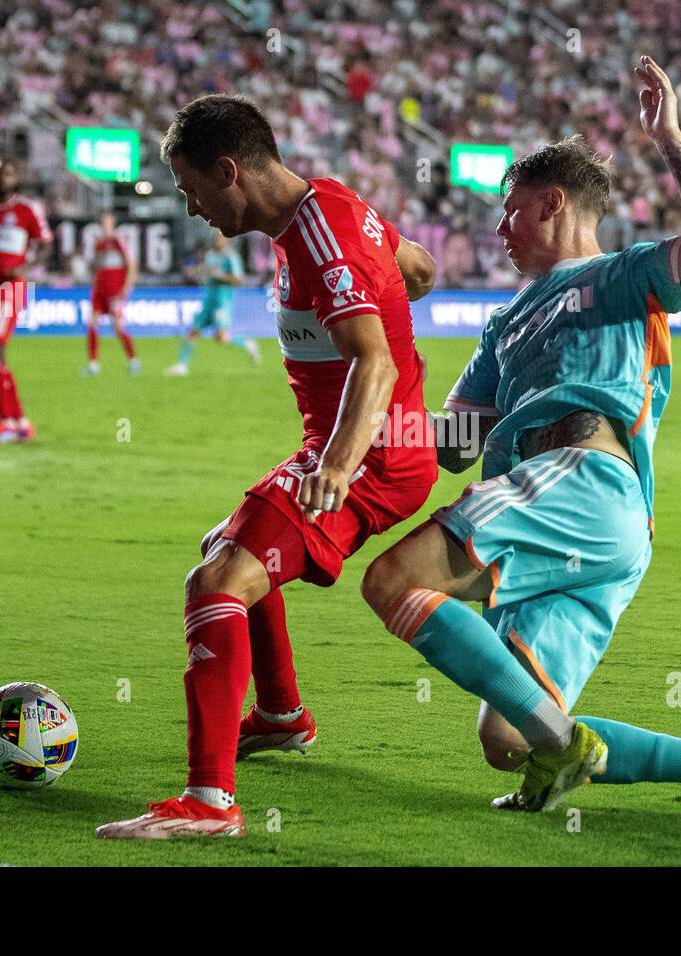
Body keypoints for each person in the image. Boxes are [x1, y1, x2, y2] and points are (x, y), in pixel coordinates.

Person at [358, 57, 681, 823]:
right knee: (510, 737)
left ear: (549, 204)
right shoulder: (503, 325)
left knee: (389, 583)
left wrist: (671, 138)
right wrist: (374, 397)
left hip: (579, 478)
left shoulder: (619, 275)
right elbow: (452, 444)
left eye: (508, 212)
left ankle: (571, 749)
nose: (499, 230)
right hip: (589, 523)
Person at [96, 93, 439, 839]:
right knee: (223, 550)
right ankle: (281, 713)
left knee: (215, 584)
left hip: (369, 456)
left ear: (228, 171)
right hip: (368, 445)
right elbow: (419, 269)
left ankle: (210, 804)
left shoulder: (326, 237)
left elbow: (373, 365)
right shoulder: (332, 210)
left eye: (191, 189)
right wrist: (388, 307)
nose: (191, 208)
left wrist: (341, 467)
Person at [0, 159, 52, 445]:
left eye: (11, 172)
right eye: (2, 172)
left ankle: (5, 424)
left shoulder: (26, 209)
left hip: (7, 289)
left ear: (17, 178)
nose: (6, 177)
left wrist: (26, 268)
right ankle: (20, 422)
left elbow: (45, 243)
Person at [166, 229, 260, 374]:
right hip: (208, 300)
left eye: (220, 237)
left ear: (226, 239)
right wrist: (194, 272)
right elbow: (206, 271)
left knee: (221, 338)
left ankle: (248, 343)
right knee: (192, 332)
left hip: (222, 302)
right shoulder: (210, 255)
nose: (217, 240)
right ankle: (181, 366)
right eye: (215, 237)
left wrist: (220, 275)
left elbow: (238, 280)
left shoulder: (231, 258)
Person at [82, 212, 139, 376]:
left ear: (113, 225)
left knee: (118, 327)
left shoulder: (119, 241)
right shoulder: (98, 244)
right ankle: (93, 364)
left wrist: (126, 288)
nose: (106, 227)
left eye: (108, 223)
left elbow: (132, 265)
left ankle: (133, 359)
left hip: (115, 291)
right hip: (99, 290)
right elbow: (95, 268)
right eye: (103, 224)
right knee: (92, 324)